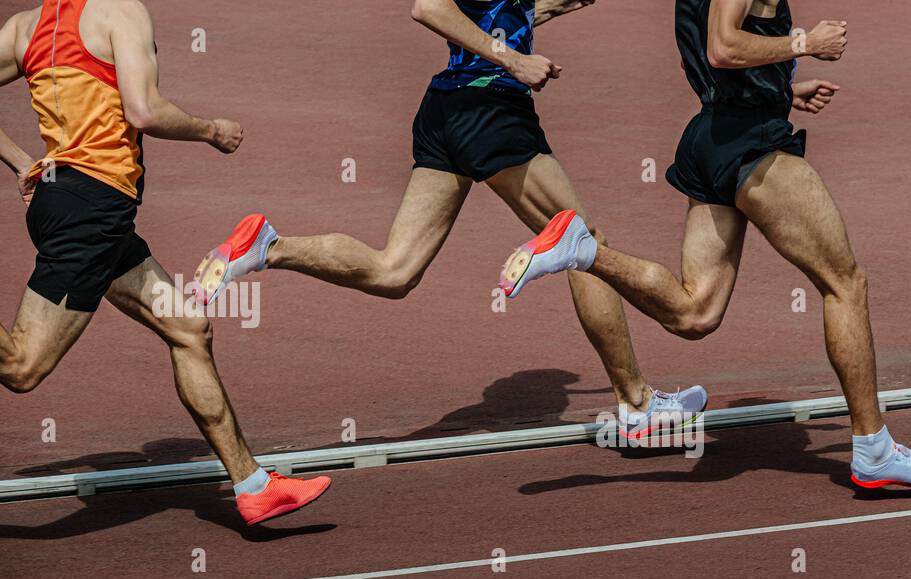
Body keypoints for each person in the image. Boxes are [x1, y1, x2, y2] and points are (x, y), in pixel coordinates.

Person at [196, 0, 705, 443]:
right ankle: (637, 407)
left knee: (394, 271)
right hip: (491, 107)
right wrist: (515, 59)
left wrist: (546, 8)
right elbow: (430, 7)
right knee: (584, 244)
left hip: (447, 109)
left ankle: (269, 247)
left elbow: (487, 12)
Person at [499, 0, 911, 491]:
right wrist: (806, 43)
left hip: (714, 135)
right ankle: (874, 451)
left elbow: (720, 48)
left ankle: (583, 252)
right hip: (751, 144)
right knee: (845, 283)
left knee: (695, 313)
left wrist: (781, 89)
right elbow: (722, 46)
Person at [0, 0, 329, 524]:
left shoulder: (23, 26)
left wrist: (23, 162)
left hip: (70, 205)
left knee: (189, 329)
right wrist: (212, 130)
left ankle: (253, 485)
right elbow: (145, 111)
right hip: (93, 212)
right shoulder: (120, 13)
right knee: (21, 366)